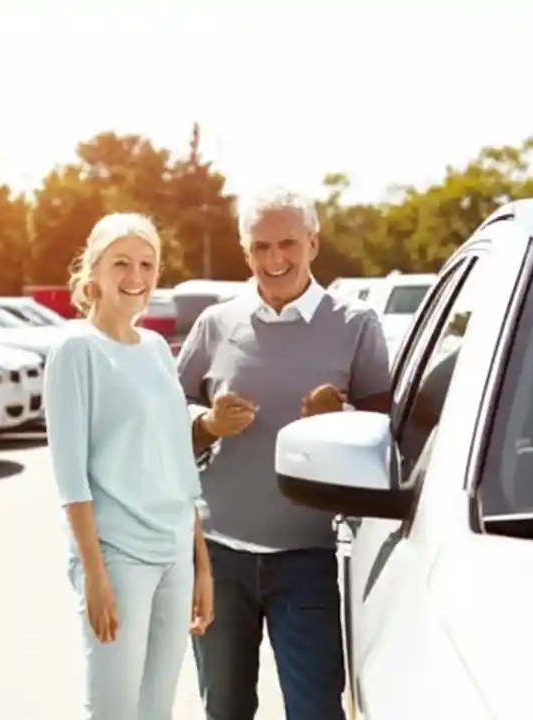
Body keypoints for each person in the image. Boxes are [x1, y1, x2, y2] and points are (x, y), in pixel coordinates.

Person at [177, 187, 391, 720]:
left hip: (310, 558)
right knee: (224, 710)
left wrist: (339, 418)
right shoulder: (215, 323)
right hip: (218, 558)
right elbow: (164, 422)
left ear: (313, 243)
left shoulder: (356, 324)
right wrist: (206, 424)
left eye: (288, 244)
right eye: (261, 247)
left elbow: (387, 436)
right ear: (245, 250)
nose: (274, 259)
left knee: (315, 711)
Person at [43, 212, 214, 720]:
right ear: (93, 272)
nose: (135, 276)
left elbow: (178, 460)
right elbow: (70, 477)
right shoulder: (75, 350)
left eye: (147, 264)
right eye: (121, 263)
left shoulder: (158, 349)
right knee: (114, 711)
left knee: (156, 710)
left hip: (174, 552)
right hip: (118, 558)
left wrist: (201, 564)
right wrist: (94, 575)